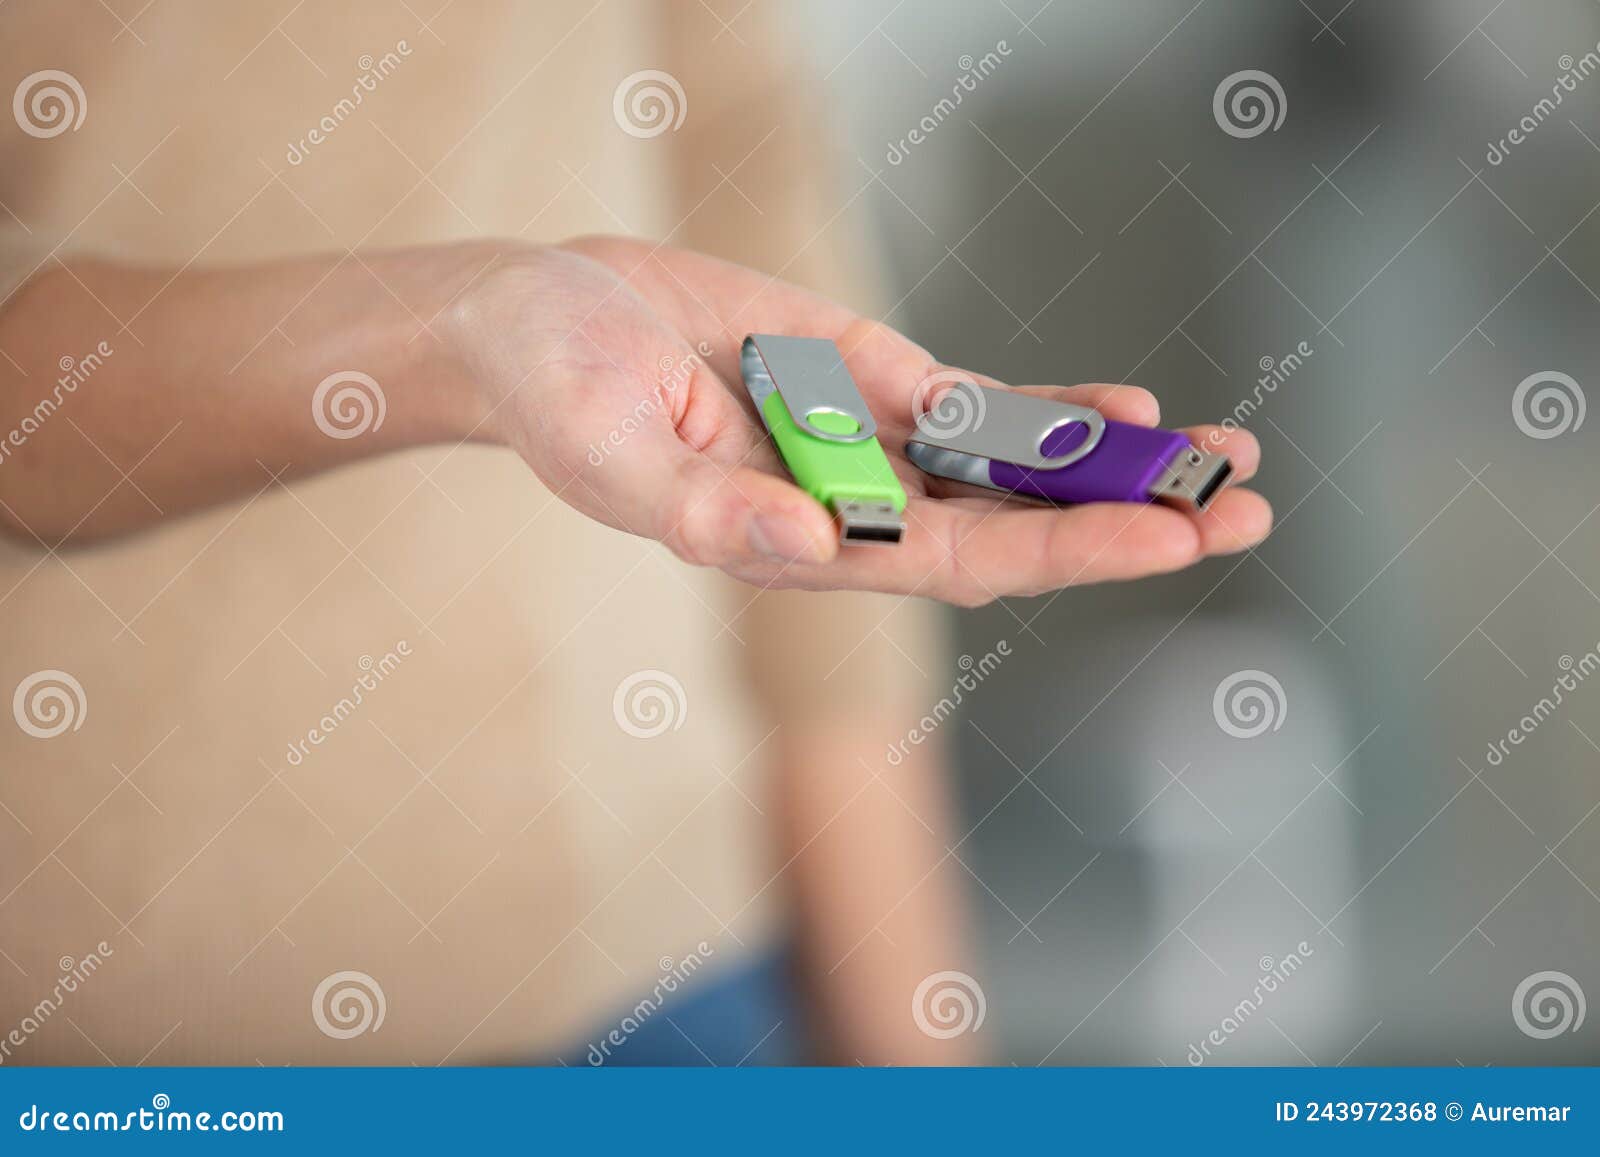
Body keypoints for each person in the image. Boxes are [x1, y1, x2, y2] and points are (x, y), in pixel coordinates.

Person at [0, 2, 1266, 1064]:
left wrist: (913, 1051)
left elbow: (742, 161)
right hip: (149, 1021)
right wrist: (454, 328)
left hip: (686, 968)